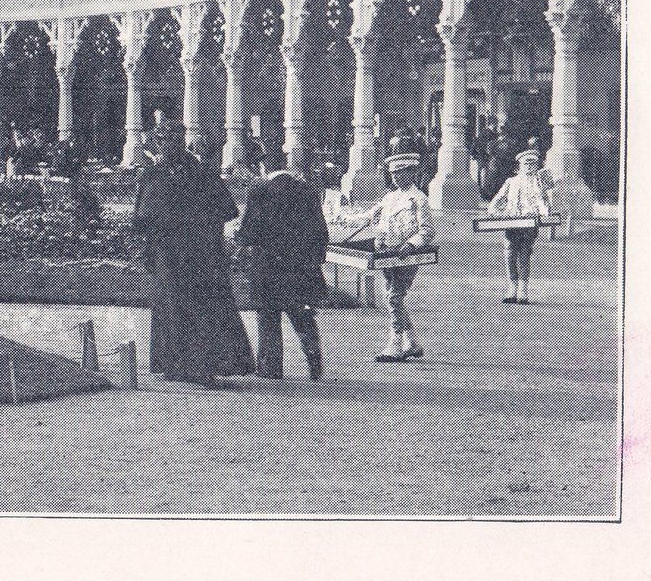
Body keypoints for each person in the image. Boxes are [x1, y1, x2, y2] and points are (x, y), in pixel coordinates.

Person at [131, 120, 254, 387]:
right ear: (159, 142)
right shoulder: (157, 175)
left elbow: (226, 209)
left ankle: (200, 366)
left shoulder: (199, 173)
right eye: (164, 139)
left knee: (199, 306)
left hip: (197, 253)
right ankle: (174, 364)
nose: (168, 144)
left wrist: (193, 222)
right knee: (174, 306)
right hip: (173, 252)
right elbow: (141, 219)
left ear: (180, 140)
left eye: (173, 139)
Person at [334, 142, 436, 362]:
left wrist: (411, 244)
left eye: (402, 173)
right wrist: (341, 217)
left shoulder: (419, 199)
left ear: (412, 173)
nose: (397, 177)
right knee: (394, 297)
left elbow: (427, 230)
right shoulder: (389, 198)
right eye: (393, 174)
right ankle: (413, 342)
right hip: (385, 254)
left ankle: (395, 344)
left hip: (405, 255)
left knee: (393, 298)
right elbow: (367, 217)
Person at [235, 156, 329, 380]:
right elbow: (321, 233)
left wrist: (240, 238)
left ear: (265, 167)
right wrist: (314, 261)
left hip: (268, 267)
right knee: (303, 316)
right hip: (301, 268)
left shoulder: (259, 190)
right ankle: (315, 363)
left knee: (268, 318)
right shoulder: (308, 191)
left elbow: (250, 232)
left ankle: (271, 368)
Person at [486, 145, 552, 304]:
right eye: (526, 164)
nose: (530, 167)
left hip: (529, 224)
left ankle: (523, 290)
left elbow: (546, 209)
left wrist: (543, 197)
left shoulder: (539, 184)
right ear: (519, 166)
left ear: (537, 166)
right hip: (512, 223)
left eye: (533, 164)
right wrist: (499, 214)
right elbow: (495, 203)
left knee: (524, 254)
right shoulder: (511, 182)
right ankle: (512, 288)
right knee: (509, 253)